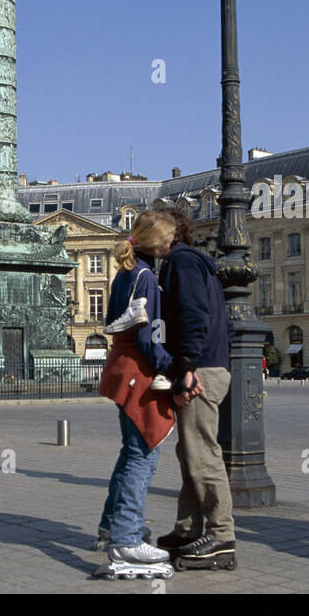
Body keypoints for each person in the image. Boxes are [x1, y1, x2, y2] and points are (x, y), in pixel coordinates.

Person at [95, 209, 198, 577]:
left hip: (122, 367)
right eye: (169, 239)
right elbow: (147, 334)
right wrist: (172, 367)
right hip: (139, 371)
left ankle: (113, 526)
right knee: (143, 456)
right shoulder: (144, 277)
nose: (171, 245)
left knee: (130, 454)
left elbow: (115, 322)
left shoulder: (125, 272)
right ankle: (126, 539)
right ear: (157, 243)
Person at [155, 205, 237, 569]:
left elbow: (192, 314)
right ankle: (188, 529)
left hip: (200, 369)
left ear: (168, 233)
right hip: (208, 364)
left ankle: (221, 536)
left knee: (202, 454)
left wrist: (187, 365)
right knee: (190, 453)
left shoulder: (181, 262)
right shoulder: (194, 261)